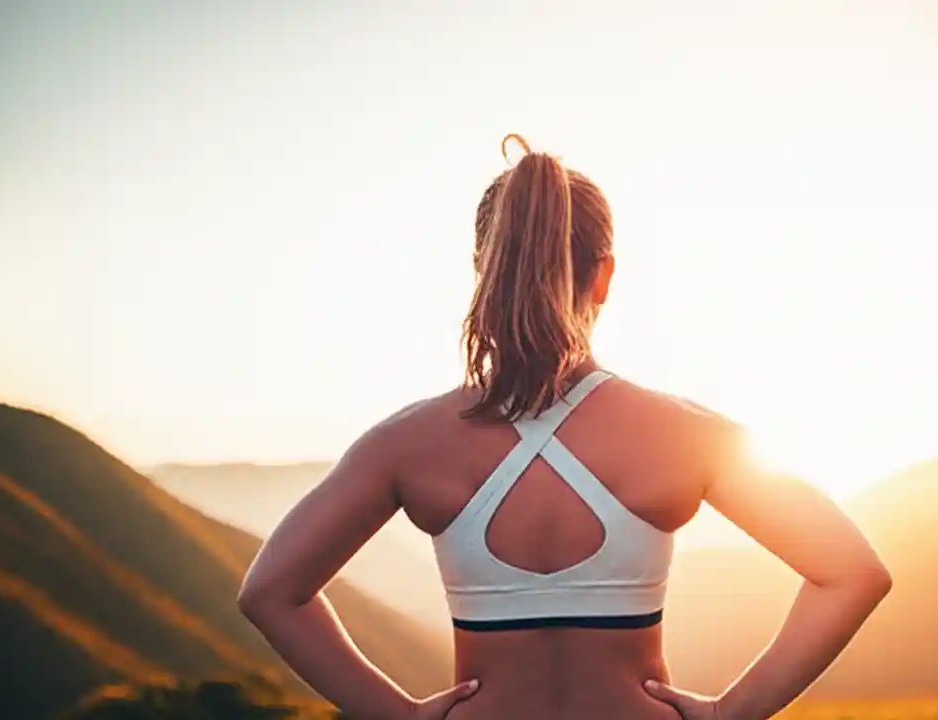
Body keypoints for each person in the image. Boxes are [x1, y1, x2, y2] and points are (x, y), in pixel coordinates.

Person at [237, 134, 893, 720]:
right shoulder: (686, 435)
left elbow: (272, 593)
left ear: (480, 268)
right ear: (603, 276)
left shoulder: (405, 444)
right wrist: (730, 712)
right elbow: (852, 574)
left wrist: (399, 715)